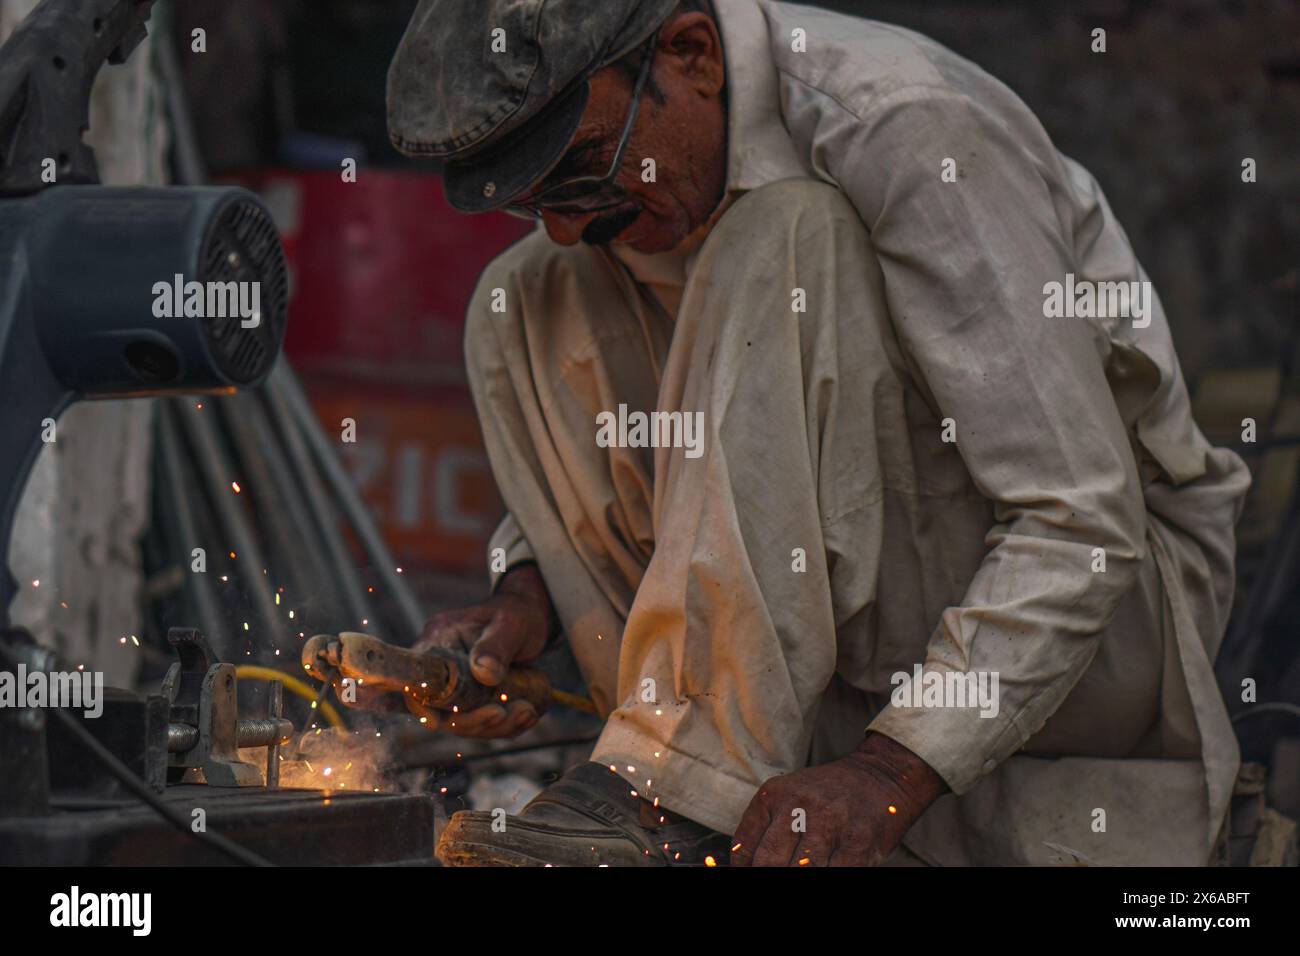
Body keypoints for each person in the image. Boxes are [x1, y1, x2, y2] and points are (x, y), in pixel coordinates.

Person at [384, 0, 1250, 866]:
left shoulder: (907, 126)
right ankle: (659, 763)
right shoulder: (628, 202)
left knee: (785, 234)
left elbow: (1081, 520)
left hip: (1112, 618)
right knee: (527, 289)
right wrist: (527, 601)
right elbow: (709, 440)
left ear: (693, 55)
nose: (570, 222)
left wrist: (890, 772)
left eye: (579, 171)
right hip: (860, 627)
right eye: (537, 201)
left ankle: (675, 792)